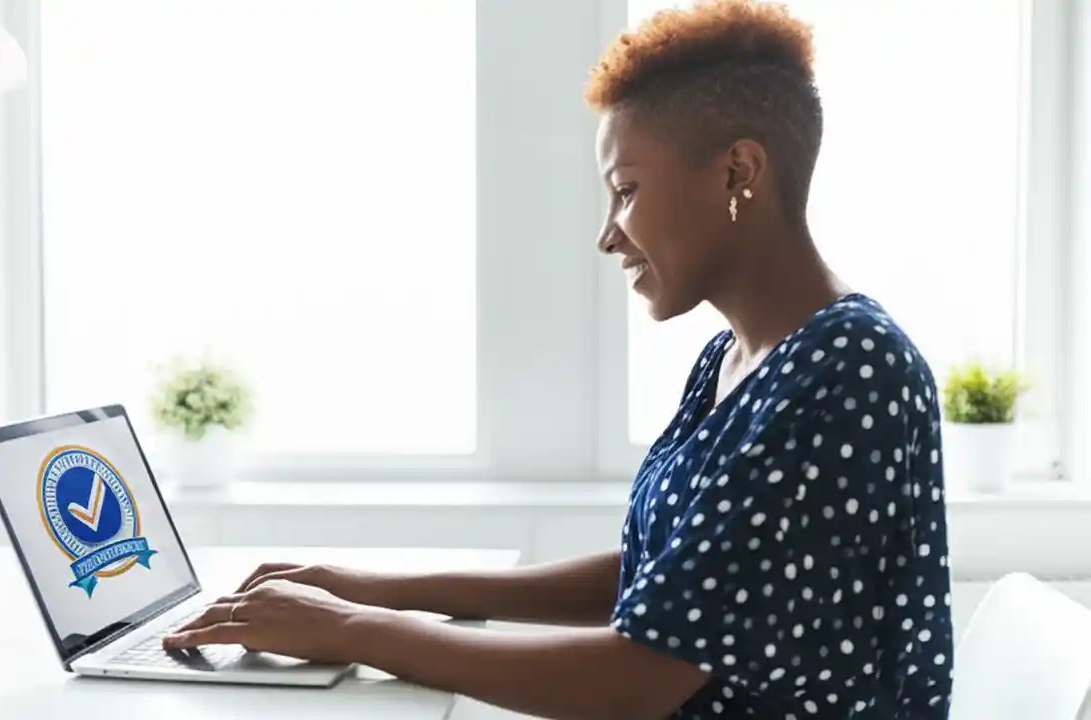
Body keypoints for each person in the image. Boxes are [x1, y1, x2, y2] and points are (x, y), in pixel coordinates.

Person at [163, 1, 954, 717]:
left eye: (627, 189)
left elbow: (637, 679)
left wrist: (350, 630)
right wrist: (376, 591)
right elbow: (664, 584)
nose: (609, 234)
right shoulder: (736, 357)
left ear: (738, 172)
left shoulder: (849, 369)